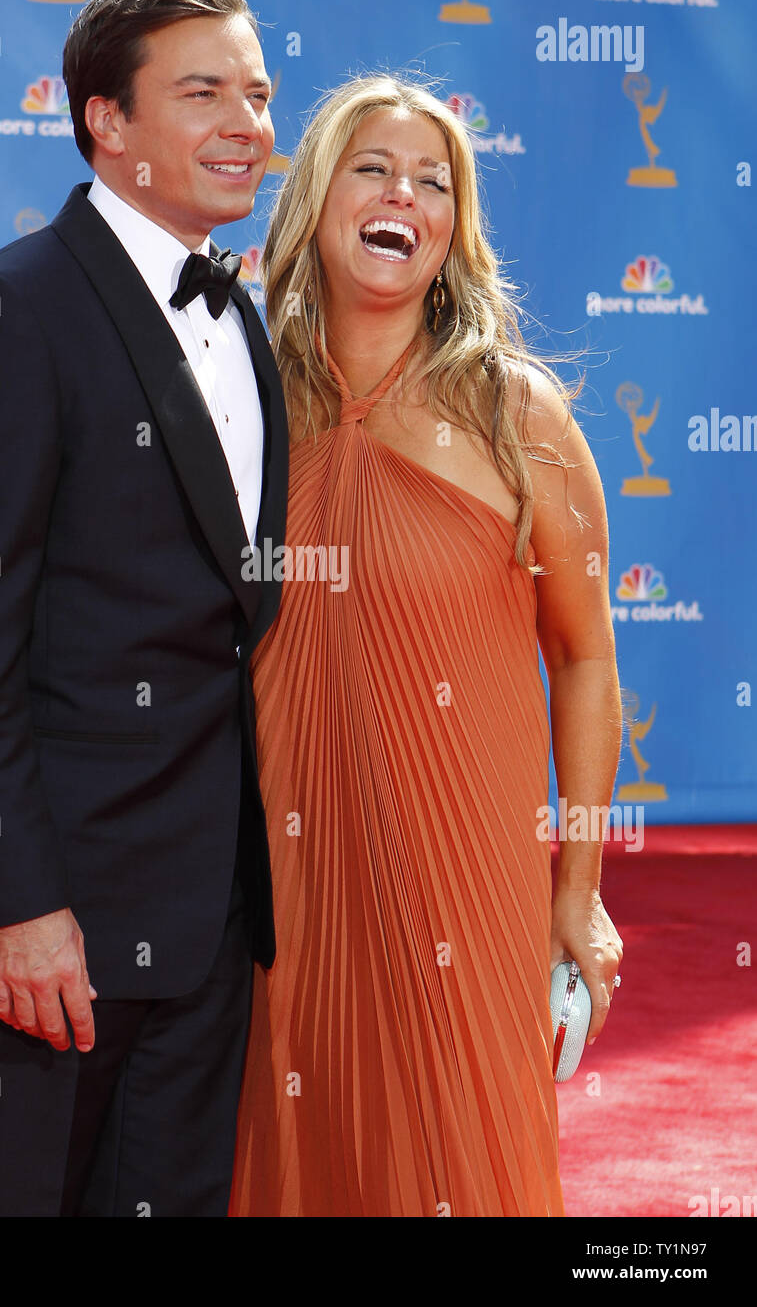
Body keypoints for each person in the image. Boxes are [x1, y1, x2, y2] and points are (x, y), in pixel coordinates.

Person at [0, 0, 287, 1217]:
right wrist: (22, 906)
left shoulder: (245, 316)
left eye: (261, 93)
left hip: (210, 911)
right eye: (204, 92)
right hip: (50, 916)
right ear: (106, 122)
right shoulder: (11, 312)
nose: (248, 124)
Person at [228, 74, 624, 1216]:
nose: (403, 193)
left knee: (461, 1161)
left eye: (432, 179)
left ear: (453, 229)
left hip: (463, 878)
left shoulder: (518, 416)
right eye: (372, 169)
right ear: (314, 200)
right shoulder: (241, 401)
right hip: (278, 879)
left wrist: (579, 887)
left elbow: (585, 657)